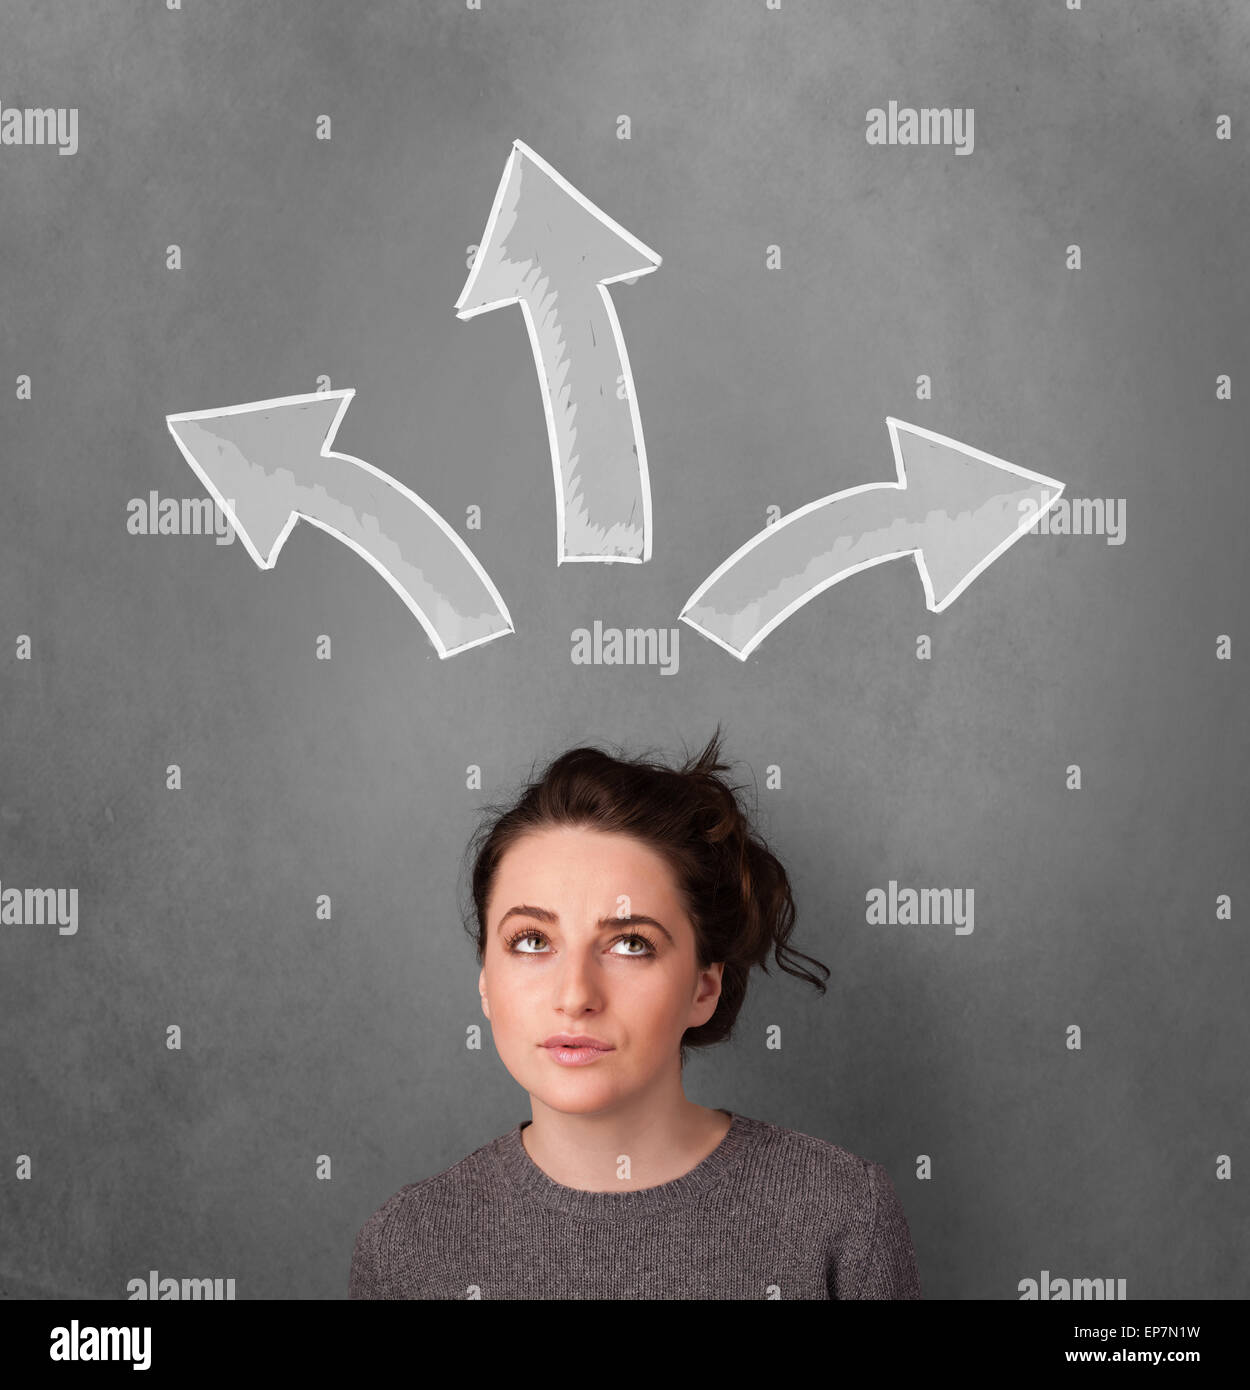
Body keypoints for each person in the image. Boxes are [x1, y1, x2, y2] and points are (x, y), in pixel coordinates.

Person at [349, 725, 921, 1299]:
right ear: (485, 981)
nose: (575, 995)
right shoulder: (407, 1249)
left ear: (704, 987)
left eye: (630, 944)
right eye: (530, 940)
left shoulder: (844, 1216)